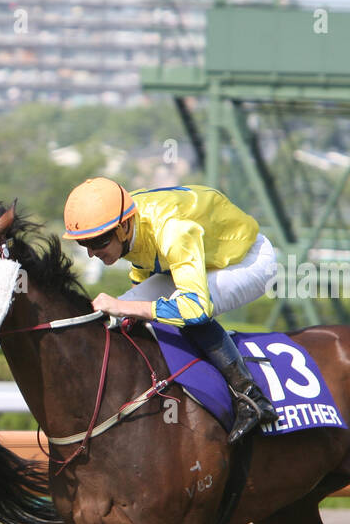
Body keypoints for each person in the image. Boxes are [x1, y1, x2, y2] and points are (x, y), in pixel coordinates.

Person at [62, 178, 278, 444]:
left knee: (180, 310)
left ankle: (251, 398)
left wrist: (125, 307)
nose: (93, 252)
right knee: (122, 314)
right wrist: (127, 310)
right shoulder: (127, 224)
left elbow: (195, 308)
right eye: (85, 244)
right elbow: (143, 263)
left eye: (99, 242)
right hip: (199, 255)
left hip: (247, 260)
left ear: (124, 227)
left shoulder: (173, 231)